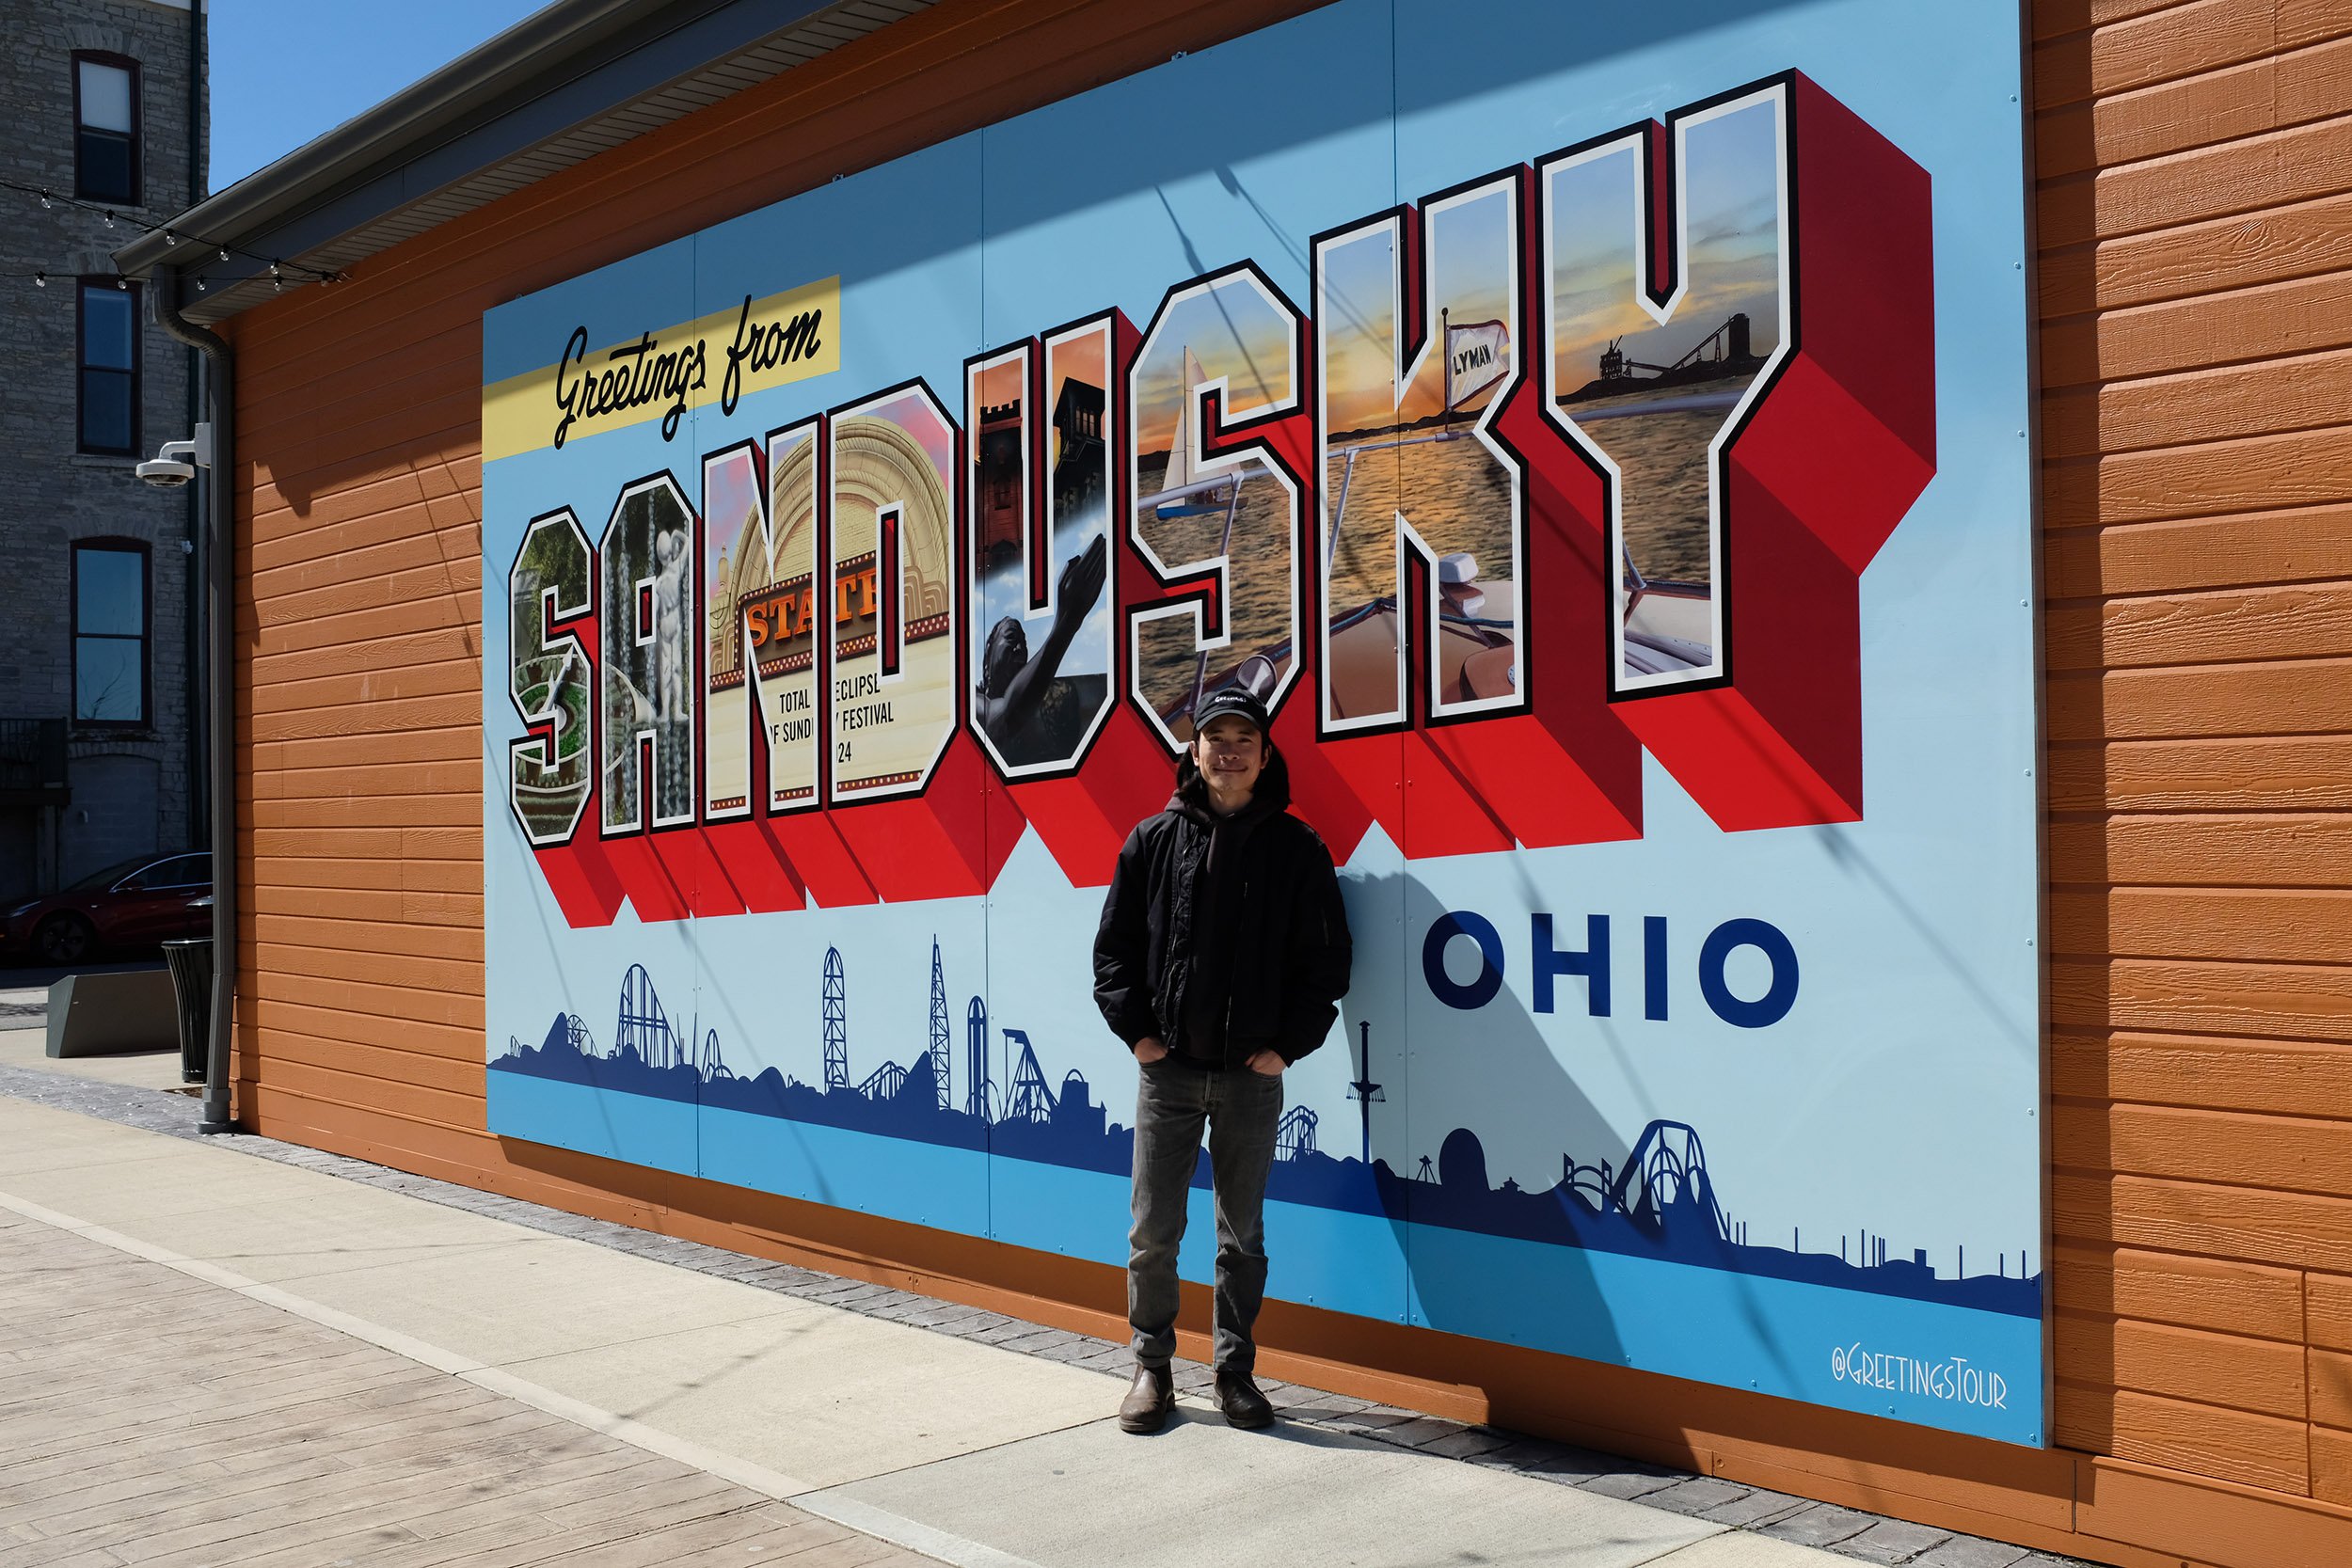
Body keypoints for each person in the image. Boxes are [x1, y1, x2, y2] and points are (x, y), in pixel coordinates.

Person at [1091, 686, 1352, 1433]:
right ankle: (1151, 1367)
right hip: (1167, 1073)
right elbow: (1114, 954)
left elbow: (1327, 961)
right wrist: (1141, 1036)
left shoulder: (1298, 849)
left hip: (1250, 1079)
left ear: (1266, 754)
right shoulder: (1151, 840)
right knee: (1154, 1232)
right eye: (1216, 737)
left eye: (1245, 737)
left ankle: (1235, 1372)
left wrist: (1286, 1047)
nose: (1230, 749)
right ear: (1194, 750)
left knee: (1242, 1236)